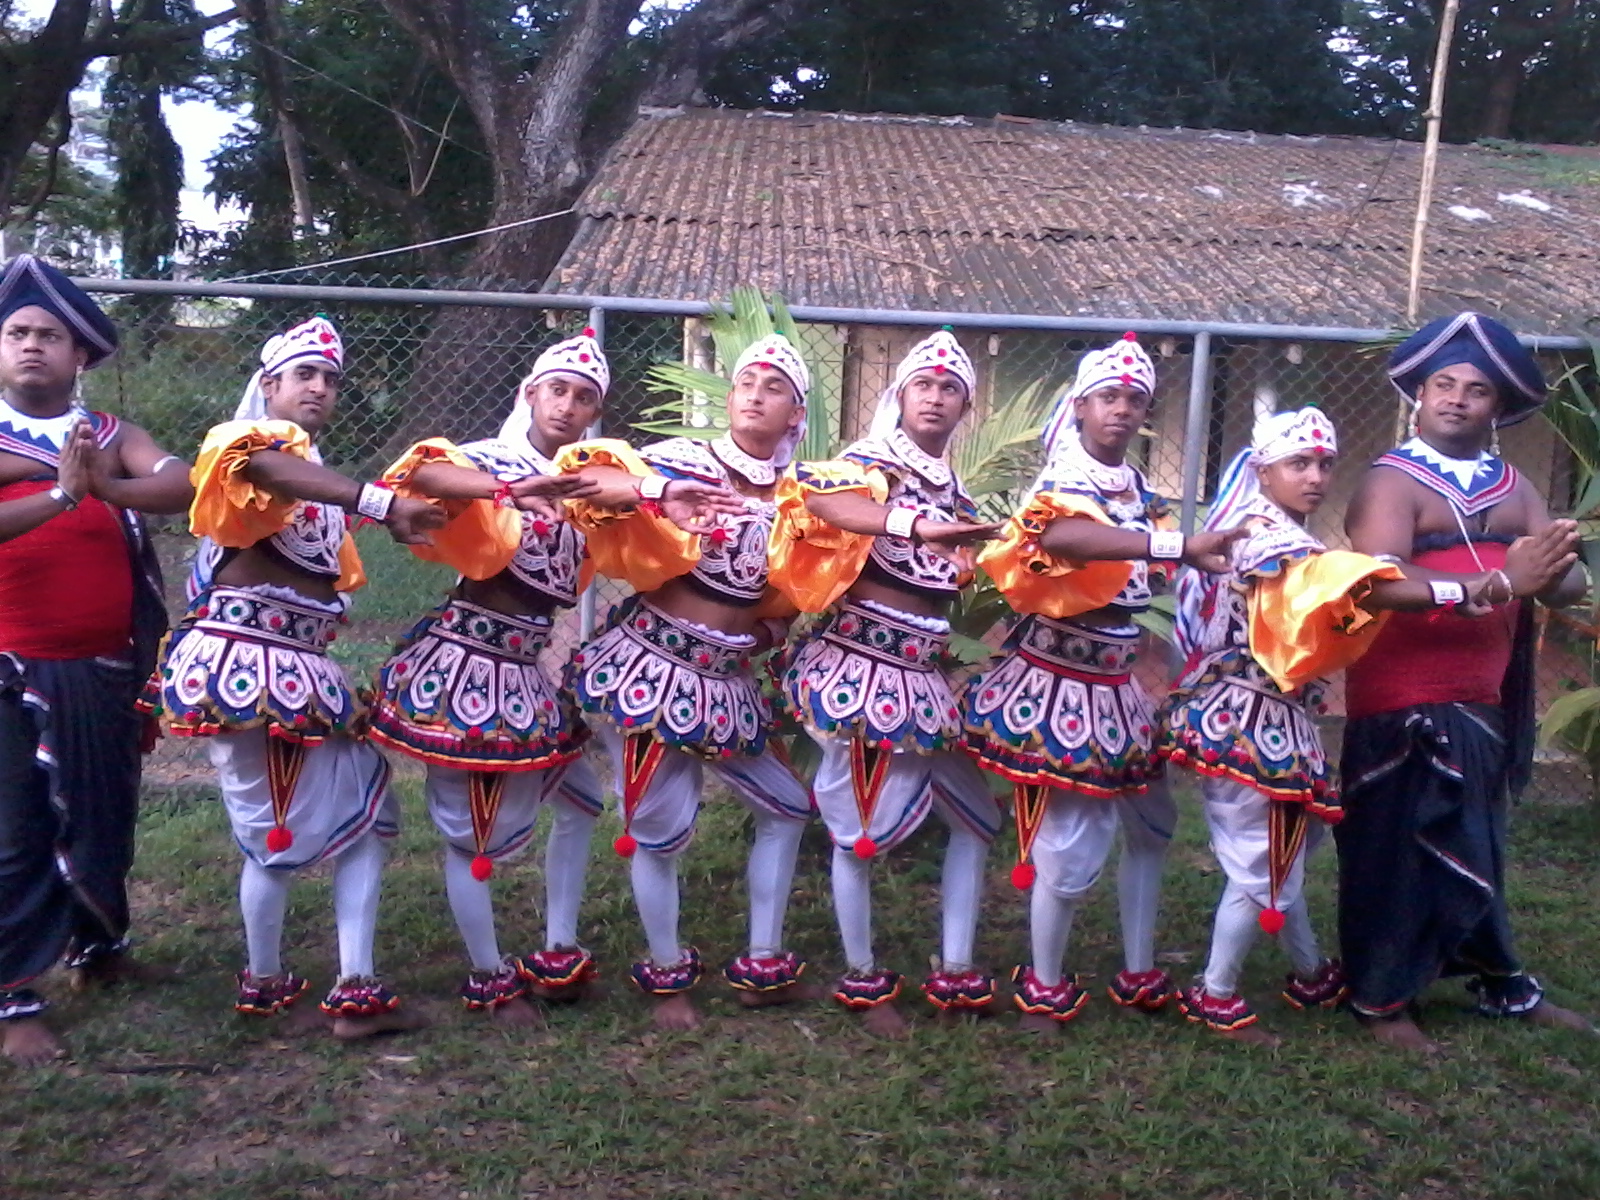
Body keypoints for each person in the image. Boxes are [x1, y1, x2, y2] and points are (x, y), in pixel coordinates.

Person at [143, 316, 444, 1038]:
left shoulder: (312, 476)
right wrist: (380, 502)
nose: (318, 388)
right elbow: (266, 470)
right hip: (247, 664)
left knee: (358, 815)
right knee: (271, 828)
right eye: (303, 375)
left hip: (303, 670)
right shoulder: (242, 446)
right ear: (268, 384)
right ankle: (292, 980)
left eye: (331, 379)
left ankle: (331, 982)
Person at [1162, 407, 1491, 1045]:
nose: (1314, 476)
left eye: (1323, 464)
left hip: (1273, 713)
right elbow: (1348, 590)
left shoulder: (1283, 532)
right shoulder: (1264, 536)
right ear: (1263, 471)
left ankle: (1310, 970)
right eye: (1298, 464)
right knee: (1263, 863)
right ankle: (1214, 992)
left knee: (1289, 846)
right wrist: (1463, 589)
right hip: (1248, 716)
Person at [964, 334, 1238, 1033]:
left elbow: (1142, 581)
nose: (1121, 410)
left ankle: (1138, 966)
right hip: (1060, 681)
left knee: (1153, 825)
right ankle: (1045, 986)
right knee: (1069, 847)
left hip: (1117, 683)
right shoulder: (1065, 477)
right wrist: (1175, 546)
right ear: (1081, 406)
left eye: (1134, 400)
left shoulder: (1135, 488)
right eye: (1108, 397)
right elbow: (1065, 539)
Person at [1339, 311, 1591, 1053]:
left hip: (1484, 692)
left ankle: (1498, 978)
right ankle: (1381, 997)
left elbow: (1559, 581)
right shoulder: (1391, 480)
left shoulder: (1514, 486)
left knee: (1475, 835)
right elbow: (1378, 582)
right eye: (1441, 384)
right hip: (1402, 690)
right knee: (1396, 839)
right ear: (1418, 394)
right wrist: (1495, 580)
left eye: (1475, 389)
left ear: (1499, 407)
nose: (1455, 398)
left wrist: (1561, 571)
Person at [556, 333, 815, 1032]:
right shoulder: (685, 462)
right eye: (745, 383)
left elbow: (800, 587)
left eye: (773, 388)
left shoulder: (801, 496)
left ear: (795, 414)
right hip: (654, 666)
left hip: (727, 679)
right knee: (657, 828)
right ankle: (666, 975)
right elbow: (593, 482)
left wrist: (769, 630)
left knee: (788, 807)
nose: (754, 395)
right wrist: (659, 491)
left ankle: (764, 960)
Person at [370, 330, 609, 1023]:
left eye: (584, 397)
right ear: (528, 393)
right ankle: (489, 974)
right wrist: (512, 489)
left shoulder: (585, 479)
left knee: (584, 802)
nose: (568, 405)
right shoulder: (489, 460)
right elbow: (420, 479)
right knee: (468, 833)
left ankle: (559, 946)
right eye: (557, 390)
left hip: (528, 668)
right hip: (466, 662)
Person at [770, 330, 1003, 1038]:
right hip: (859, 668)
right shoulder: (867, 466)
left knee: (979, 820)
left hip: (922, 676)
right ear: (900, 395)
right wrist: (913, 524)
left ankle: (957, 965)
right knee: (857, 831)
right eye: (924, 384)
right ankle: (862, 975)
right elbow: (823, 503)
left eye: (950, 388)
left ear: (966, 405)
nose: (936, 397)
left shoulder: (954, 488)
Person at [0, 255, 190, 1066]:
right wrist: (64, 492)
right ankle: (12, 995)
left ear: (83, 356)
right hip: (13, 664)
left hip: (107, 663)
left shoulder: (114, 436)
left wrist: (107, 488)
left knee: (105, 809)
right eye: (16, 333)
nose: (32, 345)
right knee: (17, 827)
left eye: (50, 335)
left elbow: (181, 483)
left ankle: (98, 946)